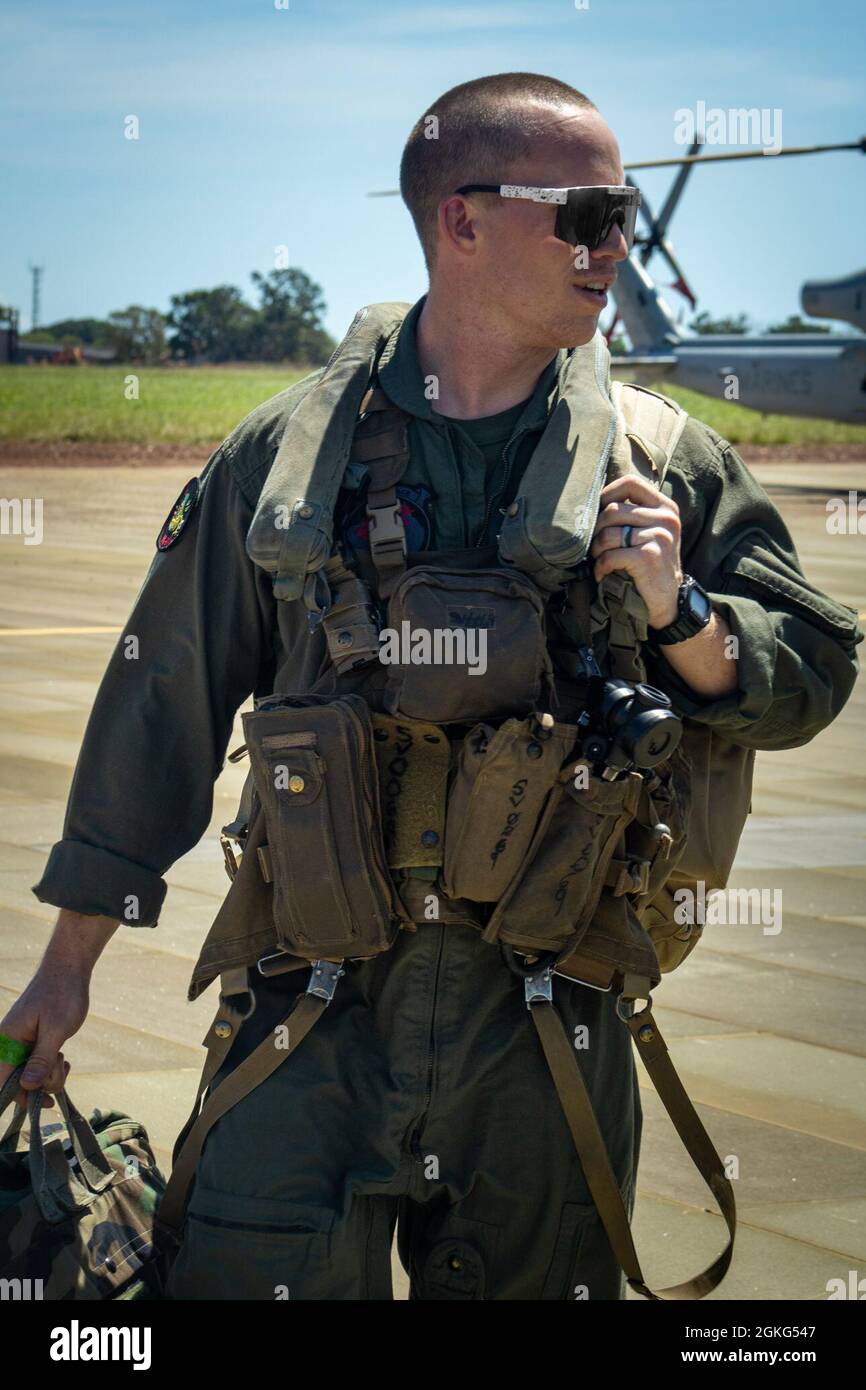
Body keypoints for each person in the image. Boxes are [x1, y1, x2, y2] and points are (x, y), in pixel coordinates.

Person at [2, 73, 859, 1301]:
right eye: (584, 214)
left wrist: (684, 616)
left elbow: (813, 670)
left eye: (619, 215)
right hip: (308, 1016)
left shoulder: (664, 458)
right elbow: (160, 709)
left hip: (551, 1030)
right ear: (461, 221)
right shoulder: (281, 462)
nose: (612, 245)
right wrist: (66, 968)